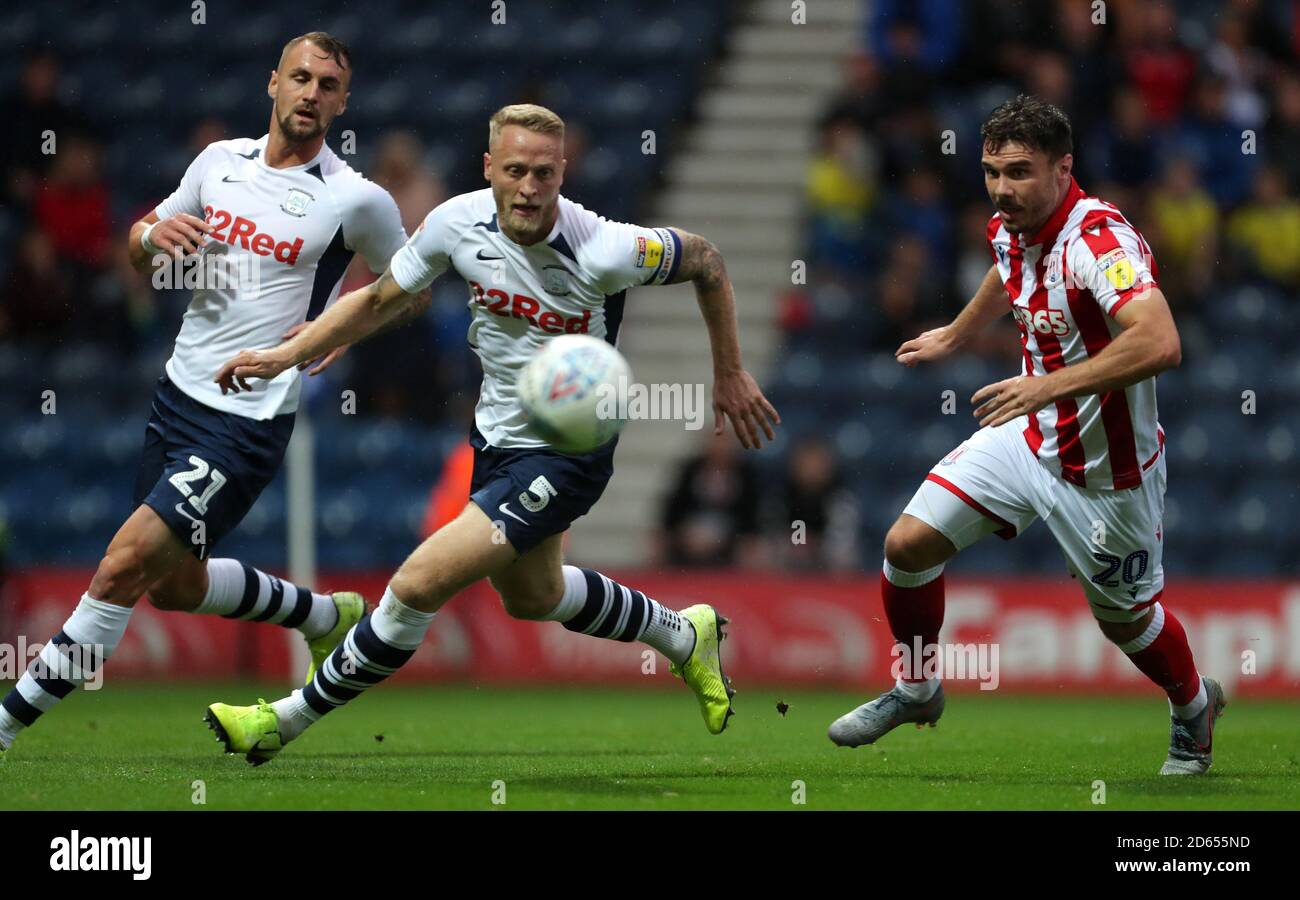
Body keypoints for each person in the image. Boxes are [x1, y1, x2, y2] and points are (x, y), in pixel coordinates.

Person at [206, 103, 780, 764]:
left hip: (568, 450)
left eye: (543, 173)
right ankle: (685, 635)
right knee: (535, 595)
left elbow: (706, 260)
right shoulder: (457, 222)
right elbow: (383, 296)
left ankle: (284, 719)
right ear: (489, 168)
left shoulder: (604, 247)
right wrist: (291, 351)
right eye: (515, 171)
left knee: (419, 583)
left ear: (563, 173)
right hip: (497, 441)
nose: (529, 188)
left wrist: (730, 372)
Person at [0, 32, 412, 760]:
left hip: (245, 421)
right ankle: (324, 616)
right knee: (175, 589)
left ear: (343, 102)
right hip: (176, 397)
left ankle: (5, 728)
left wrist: (336, 331)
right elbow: (138, 239)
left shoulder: (356, 199)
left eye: (327, 85)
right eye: (300, 78)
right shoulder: (218, 163)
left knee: (122, 567)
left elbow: (406, 285)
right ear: (272, 84)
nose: (312, 93)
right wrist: (154, 238)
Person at [828, 95, 1224, 776]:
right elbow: (1008, 270)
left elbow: (1161, 341)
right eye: (991, 172)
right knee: (907, 545)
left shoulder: (1100, 242)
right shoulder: (1015, 225)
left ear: (1064, 168)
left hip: (1108, 474)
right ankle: (918, 688)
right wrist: (956, 333)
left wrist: (1044, 385)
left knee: (1127, 624)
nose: (1001, 190)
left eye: (1018, 172)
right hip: (1027, 437)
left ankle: (1192, 710)